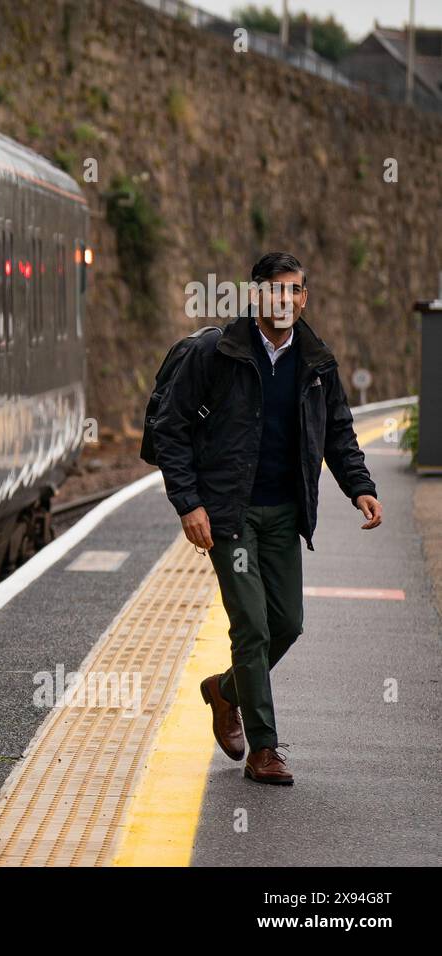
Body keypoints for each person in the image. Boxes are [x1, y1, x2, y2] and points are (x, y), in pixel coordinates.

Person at [153, 252, 383, 785]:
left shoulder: (316, 361)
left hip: (284, 513)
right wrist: (188, 503)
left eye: (296, 291)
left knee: (287, 624)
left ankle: (224, 690)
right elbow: (171, 427)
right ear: (255, 294)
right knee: (252, 626)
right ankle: (265, 749)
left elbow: (338, 432)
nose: (287, 300)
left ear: (305, 297)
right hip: (231, 515)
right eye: (276, 291)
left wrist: (360, 488)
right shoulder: (218, 352)